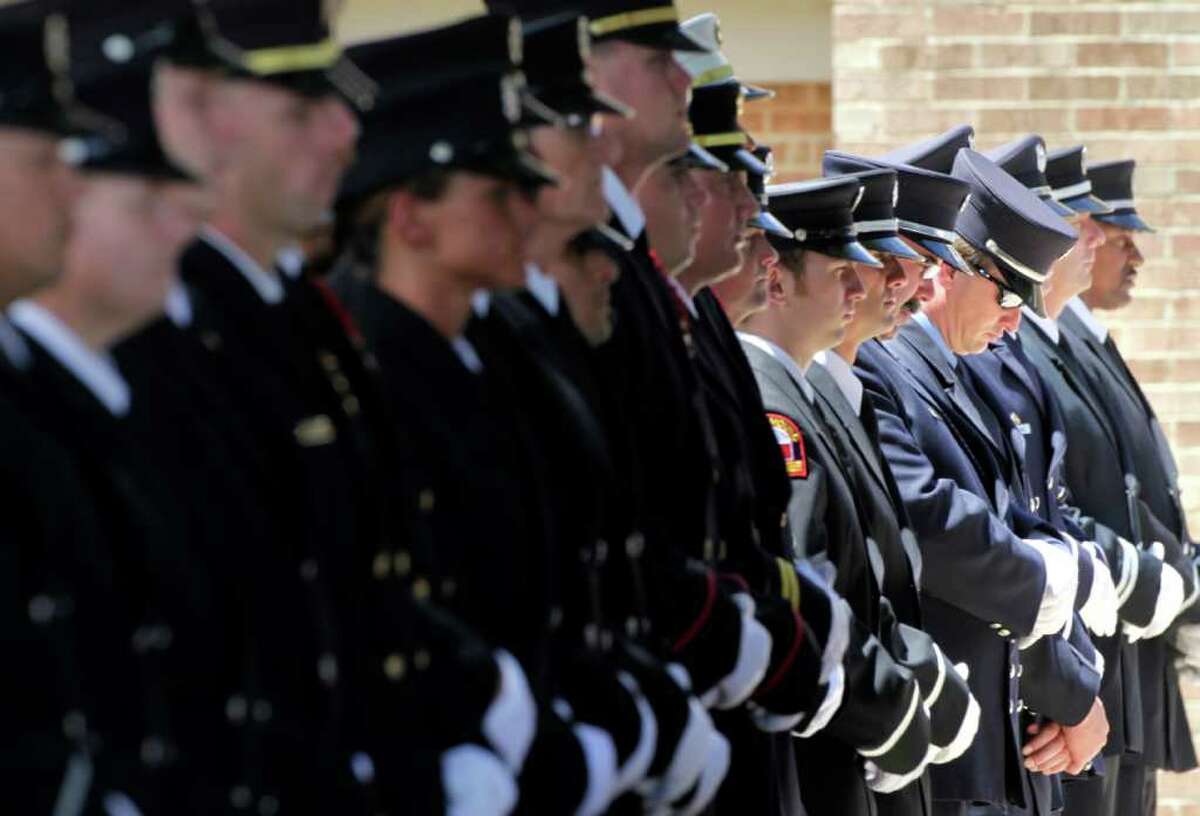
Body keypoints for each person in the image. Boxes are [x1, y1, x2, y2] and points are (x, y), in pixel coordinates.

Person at [806, 164, 982, 815]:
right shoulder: (808, 398)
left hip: (893, 727)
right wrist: (899, 699)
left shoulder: (852, 390)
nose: (907, 282)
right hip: (849, 739)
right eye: (886, 260)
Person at [1052, 152, 1199, 816]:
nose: (1134, 256)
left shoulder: (1089, 342)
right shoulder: (1041, 345)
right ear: (1075, 232)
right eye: (1120, 238)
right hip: (1090, 661)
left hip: (1131, 657)